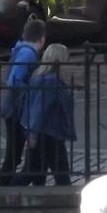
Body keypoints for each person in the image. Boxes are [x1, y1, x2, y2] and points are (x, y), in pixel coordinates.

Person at [18, 41, 76, 185]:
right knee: (61, 176)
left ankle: (9, 196)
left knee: (34, 173)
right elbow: (38, 108)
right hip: (49, 135)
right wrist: (32, 134)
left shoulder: (39, 77)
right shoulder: (51, 81)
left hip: (43, 133)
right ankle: (6, 196)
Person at [0, 17, 46, 185]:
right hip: (17, 111)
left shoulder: (20, 50)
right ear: (41, 38)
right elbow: (14, 80)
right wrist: (29, 90)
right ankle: (5, 188)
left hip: (13, 110)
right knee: (14, 155)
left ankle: (11, 185)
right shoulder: (28, 54)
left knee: (18, 154)